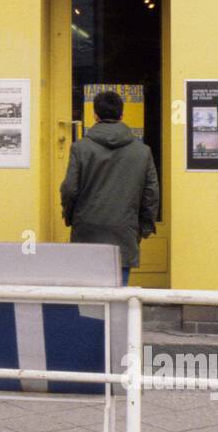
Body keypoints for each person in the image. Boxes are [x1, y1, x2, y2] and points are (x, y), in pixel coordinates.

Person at [60, 90, 159, 286]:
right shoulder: (142, 151)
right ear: (122, 115)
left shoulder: (80, 148)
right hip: (124, 230)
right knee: (118, 295)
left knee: (86, 296)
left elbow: (69, 189)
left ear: (95, 115)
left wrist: (71, 217)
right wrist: (144, 227)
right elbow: (151, 194)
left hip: (87, 229)